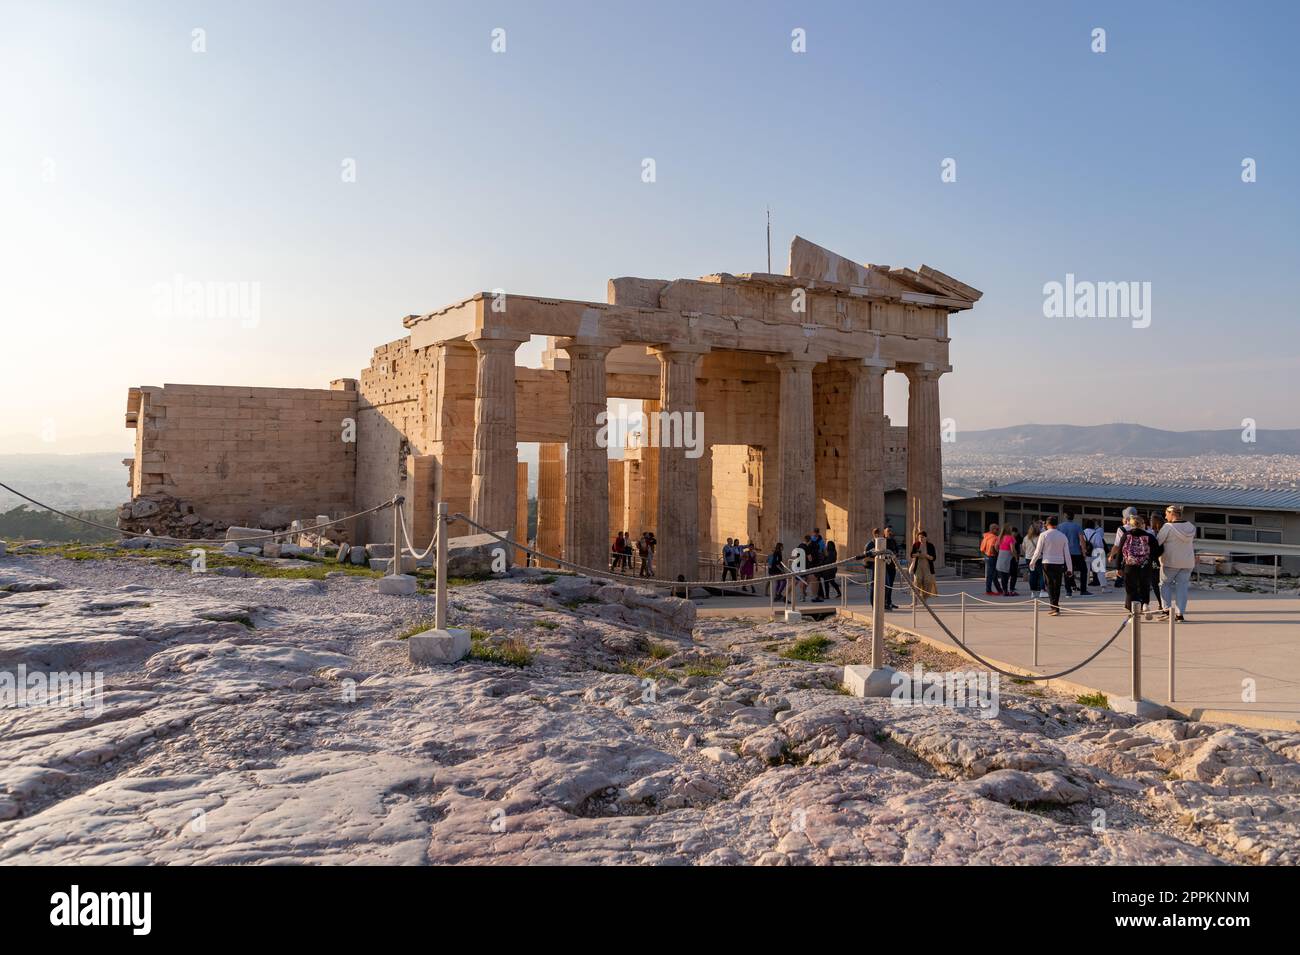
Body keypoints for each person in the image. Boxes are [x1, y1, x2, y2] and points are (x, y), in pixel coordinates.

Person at [1111, 513, 1155, 619]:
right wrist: (1151, 561)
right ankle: (1145, 605)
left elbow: (1120, 551)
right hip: (1145, 566)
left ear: (1131, 525)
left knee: (1131, 589)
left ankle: (1133, 615)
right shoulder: (1149, 536)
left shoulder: (1127, 535)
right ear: (1142, 524)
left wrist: (1118, 567)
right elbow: (1156, 551)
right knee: (1144, 586)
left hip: (1129, 566)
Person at [1157, 505, 1196, 622]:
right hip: (1187, 562)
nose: (1165, 516)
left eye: (1166, 514)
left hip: (1171, 561)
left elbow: (1158, 541)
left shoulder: (1167, 527)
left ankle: (1167, 610)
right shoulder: (1191, 526)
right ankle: (1180, 614)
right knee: (1182, 588)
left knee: (1164, 584)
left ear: (1172, 514)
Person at [1029, 515, 1073, 615]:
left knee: (1049, 585)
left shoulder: (1043, 535)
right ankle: (1055, 607)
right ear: (1056, 524)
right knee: (1057, 585)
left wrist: (1032, 562)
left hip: (1047, 562)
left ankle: (1054, 607)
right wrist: (1070, 568)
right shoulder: (1063, 536)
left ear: (1047, 524)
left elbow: (1038, 551)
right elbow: (1067, 554)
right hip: (1059, 563)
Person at [1058, 509, 1090, 596]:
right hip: (1076, 552)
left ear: (1065, 516)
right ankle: (1083, 590)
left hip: (1065, 553)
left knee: (1067, 571)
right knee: (1084, 570)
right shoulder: (1077, 526)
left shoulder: (1060, 526)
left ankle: (1068, 591)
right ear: (1073, 517)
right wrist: (1084, 552)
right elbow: (1082, 540)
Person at [909, 531, 938, 603]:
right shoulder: (916, 544)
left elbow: (934, 558)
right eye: (919, 537)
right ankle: (914, 601)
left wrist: (926, 555)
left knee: (927, 583)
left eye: (922, 537)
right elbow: (912, 555)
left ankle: (924, 600)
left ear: (926, 537)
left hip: (927, 566)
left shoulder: (930, 545)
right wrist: (917, 554)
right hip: (918, 565)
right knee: (917, 582)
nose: (920, 539)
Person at [1146, 512, 1166, 613]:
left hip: (1155, 560)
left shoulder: (1155, 533)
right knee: (1158, 583)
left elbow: (1159, 547)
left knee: (1156, 583)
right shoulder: (1162, 530)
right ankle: (1162, 604)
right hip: (1160, 559)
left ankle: (1162, 605)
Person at [1083, 519, 1108, 590]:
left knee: (1086, 571)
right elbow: (1100, 546)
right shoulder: (1096, 534)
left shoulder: (1082, 533)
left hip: (1086, 554)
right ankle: (1104, 587)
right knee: (1100, 571)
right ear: (1093, 526)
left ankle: (1085, 586)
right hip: (1096, 553)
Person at [1022, 521, 1044, 598]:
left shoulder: (1026, 537)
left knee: (1032, 575)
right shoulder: (1040, 537)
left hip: (1028, 558)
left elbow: (1023, 548)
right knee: (1041, 574)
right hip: (1038, 558)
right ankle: (1042, 590)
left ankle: (1033, 592)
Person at [996, 525, 1020, 595]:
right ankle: (1012, 590)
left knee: (1004, 576)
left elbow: (995, 546)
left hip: (1001, 557)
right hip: (1009, 558)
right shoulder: (1011, 538)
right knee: (1013, 574)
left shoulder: (1000, 537)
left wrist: (999, 552)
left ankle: (1005, 591)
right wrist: (1015, 557)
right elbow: (1012, 549)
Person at [980, 523, 1003, 595]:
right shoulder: (994, 538)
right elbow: (993, 548)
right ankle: (989, 590)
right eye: (997, 529)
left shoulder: (986, 536)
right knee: (992, 574)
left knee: (992, 574)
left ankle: (999, 589)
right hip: (993, 557)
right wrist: (998, 554)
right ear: (993, 529)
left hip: (987, 556)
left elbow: (982, 548)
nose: (998, 531)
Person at [882, 525, 901, 610]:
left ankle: (889, 602)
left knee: (891, 585)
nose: (890, 532)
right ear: (884, 532)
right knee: (887, 585)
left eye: (891, 531)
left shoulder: (893, 541)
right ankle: (884, 603)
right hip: (884, 566)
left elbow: (897, 551)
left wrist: (895, 554)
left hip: (892, 566)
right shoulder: (882, 541)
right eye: (888, 531)